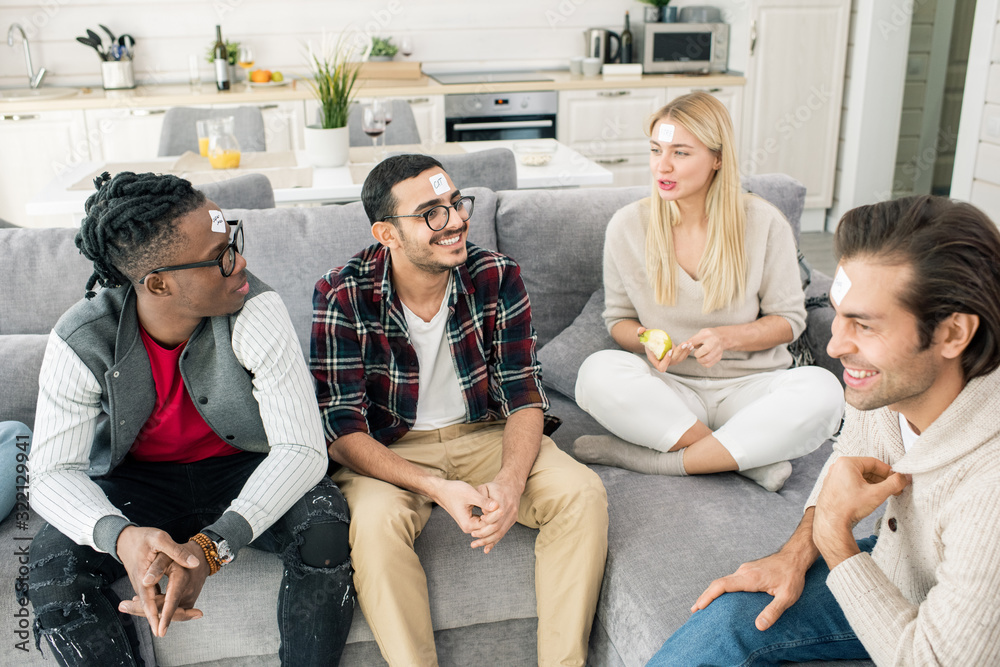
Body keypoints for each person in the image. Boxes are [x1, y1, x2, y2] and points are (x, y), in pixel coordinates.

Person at [650, 195, 1000, 665]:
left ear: (953, 334)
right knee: (733, 617)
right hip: (903, 571)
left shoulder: (988, 491)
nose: (834, 344)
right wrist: (797, 553)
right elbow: (848, 458)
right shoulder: (889, 388)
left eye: (865, 325)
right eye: (838, 313)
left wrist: (835, 538)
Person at [27, 172, 354, 666]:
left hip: (242, 467)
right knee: (51, 574)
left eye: (233, 243)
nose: (240, 262)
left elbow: (303, 450)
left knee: (325, 525)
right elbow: (51, 473)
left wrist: (214, 546)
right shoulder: (82, 337)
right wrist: (120, 536)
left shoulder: (255, 309)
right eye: (220, 257)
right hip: (136, 482)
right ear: (157, 282)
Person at [311, 154, 609, 666]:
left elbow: (524, 394)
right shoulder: (342, 293)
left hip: (485, 434)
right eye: (431, 213)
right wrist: (436, 489)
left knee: (581, 493)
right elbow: (341, 430)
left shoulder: (497, 275)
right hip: (391, 450)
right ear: (387, 233)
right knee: (374, 527)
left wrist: (511, 483)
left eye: (455, 203)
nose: (454, 221)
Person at [572, 92, 844, 492]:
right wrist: (648, 339)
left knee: (824, 390)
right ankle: (745, 463)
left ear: (717, 157)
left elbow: (790, 321)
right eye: (655, 150)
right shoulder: (627, 226)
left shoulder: (763, 222)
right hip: (671, 393)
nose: (662, 166)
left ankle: (653, 459)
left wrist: (727, 338)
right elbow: (618, 320)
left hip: (751, 388)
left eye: (680, 152)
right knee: (596, 373)